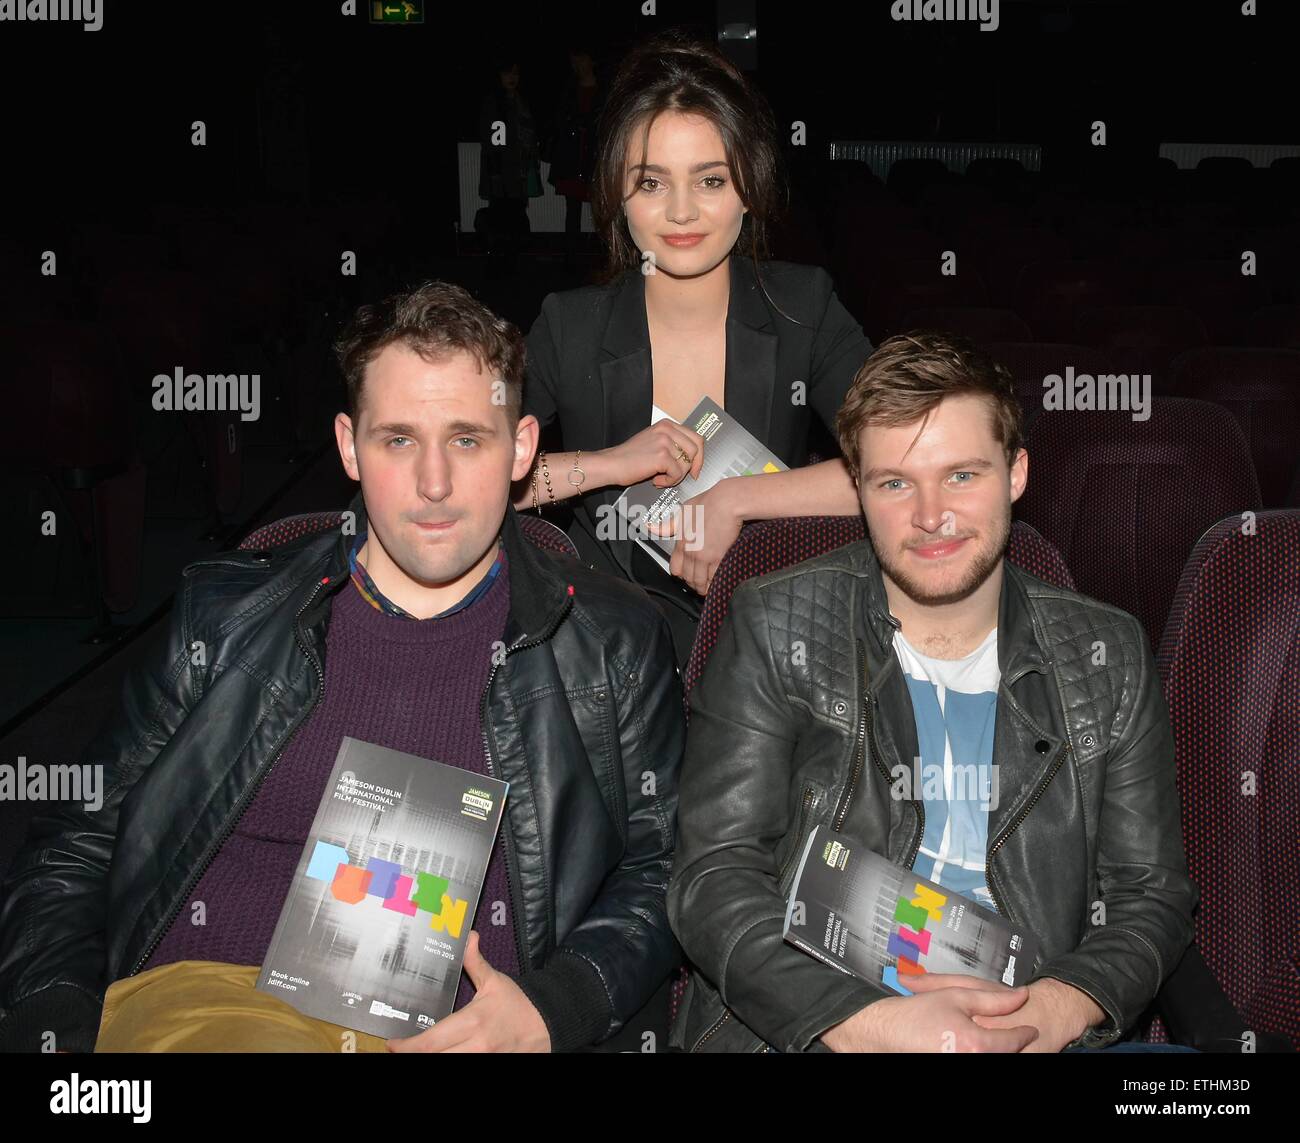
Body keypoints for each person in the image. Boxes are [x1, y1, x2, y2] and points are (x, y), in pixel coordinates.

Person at [0, 281, 684, 1054]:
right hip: (221, 1001)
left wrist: (558, 1003)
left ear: (522, 446)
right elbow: (78, 838)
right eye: (398, 440)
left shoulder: (611, 642)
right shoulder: (226, 619)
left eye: (467, 439)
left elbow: (669, 865)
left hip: (462, 1028)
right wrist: (51, 1015)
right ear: (348, 446)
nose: (434, 483)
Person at [666, 331, 1198, 1052]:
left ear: (1016, 473)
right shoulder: (774, 623)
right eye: (895, 482)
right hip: (820, 1021)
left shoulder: (1107, 656)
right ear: (858, 488)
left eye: (962, 476)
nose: (929, 514)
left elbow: (1151, 895)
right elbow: (713, 879)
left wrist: (1059, 1006)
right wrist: (870, 1024)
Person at [517, 30, 872, 669]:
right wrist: (605, 465)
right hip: (601, 641)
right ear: (617, 195)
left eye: (710, 180)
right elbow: (471, 480)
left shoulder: (804, 307)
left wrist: (738, 499)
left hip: (763, 632)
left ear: (748, 188)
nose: (681, 212)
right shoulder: (569, 324)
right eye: (651, 184)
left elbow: (905, 465)